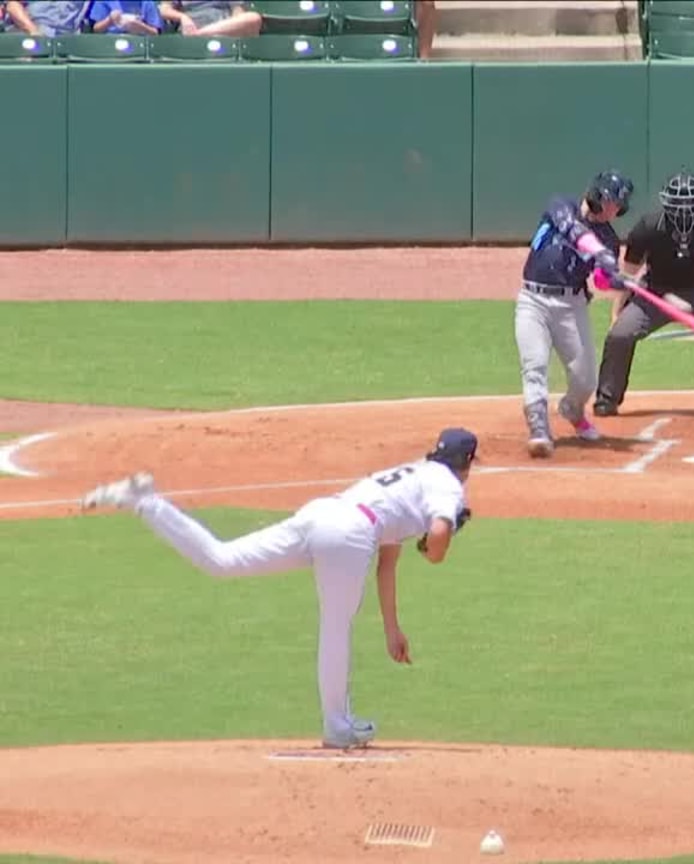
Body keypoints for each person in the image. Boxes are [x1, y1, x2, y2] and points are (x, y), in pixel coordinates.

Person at [80, 427, 480, 750]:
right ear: (466, 463)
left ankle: (147, 502)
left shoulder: (413, 473)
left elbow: (388, 560)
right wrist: (434, 549)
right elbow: (439, 535)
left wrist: (392, 627)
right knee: (336, 626)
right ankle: (337, 726)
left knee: (223, 561)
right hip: (350, 531)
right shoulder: (448, 484)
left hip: (322, 513)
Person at [595, 170, 694, 417]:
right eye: (679, 205)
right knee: (620, 336)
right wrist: (616, 314)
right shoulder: (648, 229)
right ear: (666, 203)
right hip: (654, 293)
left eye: (690, 204)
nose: (685, 211)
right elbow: (629, 276)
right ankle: (607, 398)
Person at [516, 171, 635, 458]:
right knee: (535, 368)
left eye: (617, 206)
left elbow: (601, 281)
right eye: (609, 202)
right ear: (596, 195)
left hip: (572, 307)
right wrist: (597, 251)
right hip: (533, 301)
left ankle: (572, 409)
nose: (612, 210)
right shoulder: (562, 206)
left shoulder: (610, 239)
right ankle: (539, 430)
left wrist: (617, 279)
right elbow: (573, 230)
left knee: (585, 380)